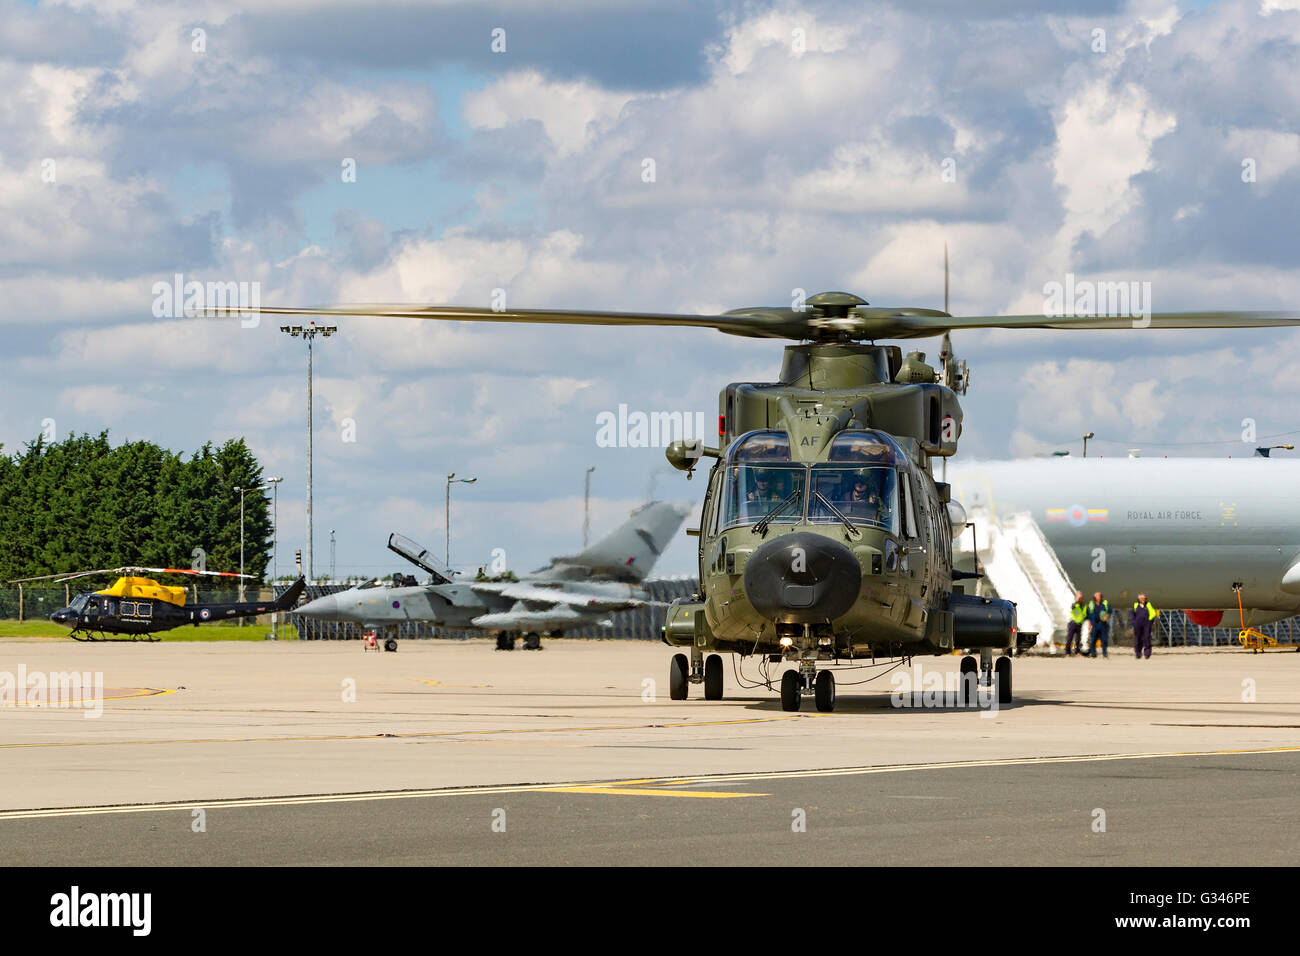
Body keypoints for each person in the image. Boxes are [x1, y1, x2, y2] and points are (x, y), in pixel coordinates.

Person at [1131, 593, 1158, 659]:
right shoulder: (1135, 605)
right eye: (1142, 598)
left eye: (1144, 598)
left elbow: (1153, 614)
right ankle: (1138, 653)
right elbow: (1132, 615)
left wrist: (1149, 622)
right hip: (1138, 625)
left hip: (1146, 624)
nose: (1143, 600)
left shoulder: (1148, 605)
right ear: (1139, 599)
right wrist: (1134, 623)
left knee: (1147, 638)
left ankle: (1147, 654)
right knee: (1137, 639)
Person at [1086, 591, 1111, 657]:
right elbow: (1088, 615)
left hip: (1102, 624)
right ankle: (1093, 653)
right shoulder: (1091, 604)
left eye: (1099, 596)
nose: (1097, 597)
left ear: (1101, 597)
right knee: (1093, 639)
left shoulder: (1105, 603)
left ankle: (1104, 653)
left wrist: (1106, 616)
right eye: (1096, 596)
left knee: (1104, 640)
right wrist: (1089, 624)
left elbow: (1109, 611)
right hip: (1094, 624)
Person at [1065, 590, 1086, 656]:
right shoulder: (1074, 604)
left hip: (1079, 624)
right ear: (1076, 597)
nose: (1080, 598)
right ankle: (1067, 652)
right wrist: (1077, 600)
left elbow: (1084, 614)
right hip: (1072, 623)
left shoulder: (1083, 606)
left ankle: (1077, 652)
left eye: (1081, 597)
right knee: (1069, 639)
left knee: (1078, 640)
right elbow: (1072, 607)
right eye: (1079, 597)